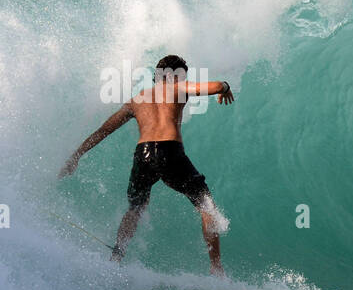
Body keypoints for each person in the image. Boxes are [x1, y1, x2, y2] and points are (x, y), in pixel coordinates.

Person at [59, 55, 234, 275]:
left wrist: (76, 155)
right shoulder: (178, 87)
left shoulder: (136, 100)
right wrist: (225, 88)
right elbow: (217, 86)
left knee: (135, 208)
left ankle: (115, 258)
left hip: (143, 155)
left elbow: (103, 131)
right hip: (170, 151)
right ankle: (216, 268)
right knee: (205, 203)